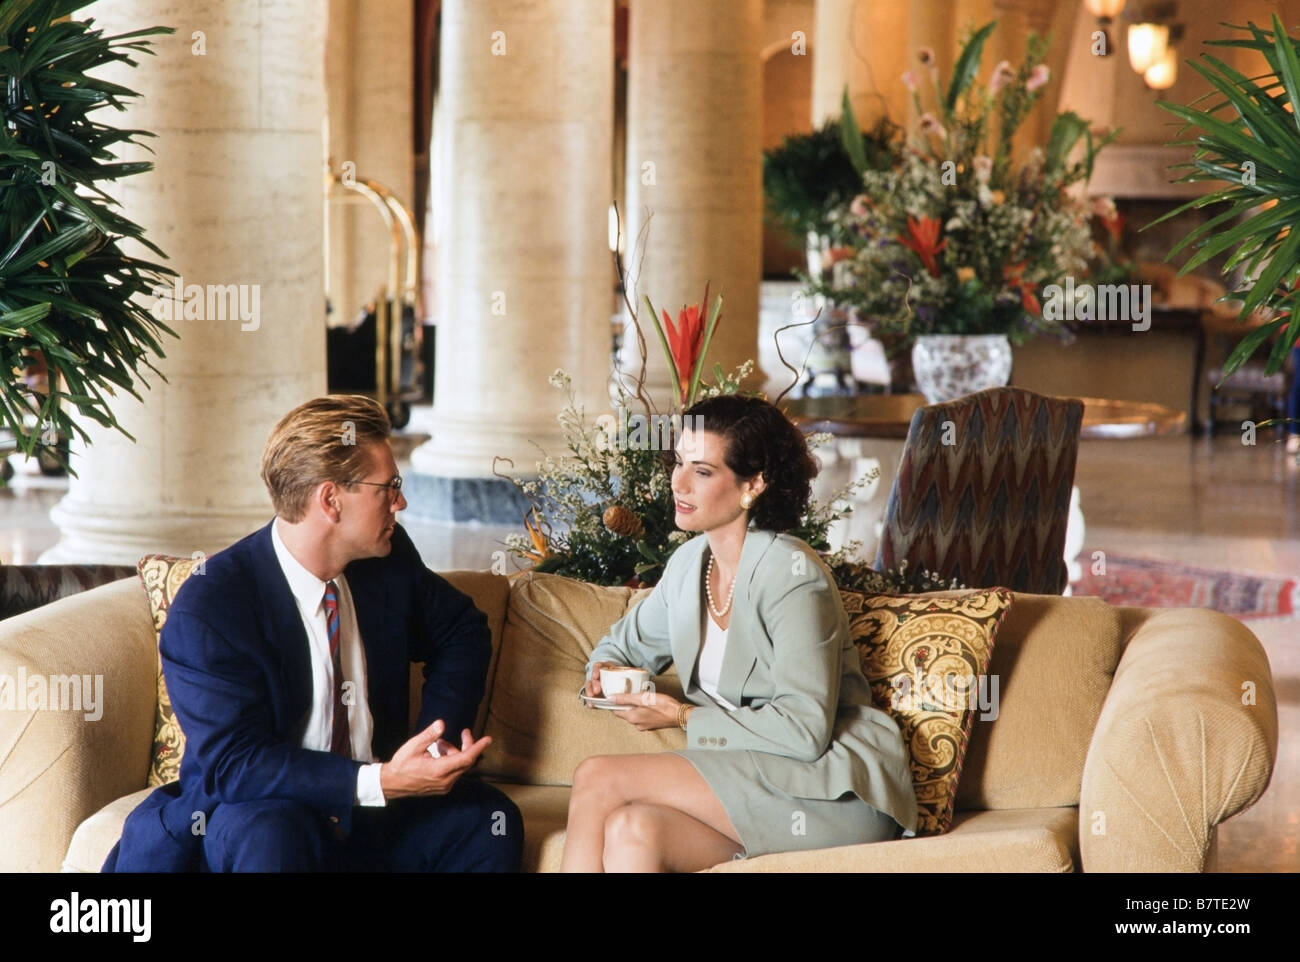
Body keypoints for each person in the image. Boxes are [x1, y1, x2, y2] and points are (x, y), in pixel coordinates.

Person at [104, 395, 522, 872]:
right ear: (330, 499)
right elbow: (234, 766)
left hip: (374, 814)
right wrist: (377, 781)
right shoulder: (214, 604)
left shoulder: (384, 561)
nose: (401, 502)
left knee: (490, 820)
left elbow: (461, 630)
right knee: (272, 834)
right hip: (260, 809)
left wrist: (435, 739)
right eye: (389, 487)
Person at [561, 394, 918, 873]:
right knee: (633, 831)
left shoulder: (791, 575)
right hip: (751, 777)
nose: (679, 483)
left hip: (829, 789)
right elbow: (620, 646)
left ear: (753, 484)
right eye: (680, 463)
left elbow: (804, 730)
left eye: (703, 472)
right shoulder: (689, 565)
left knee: (598, 776)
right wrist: (602, 672)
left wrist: (682, 716)